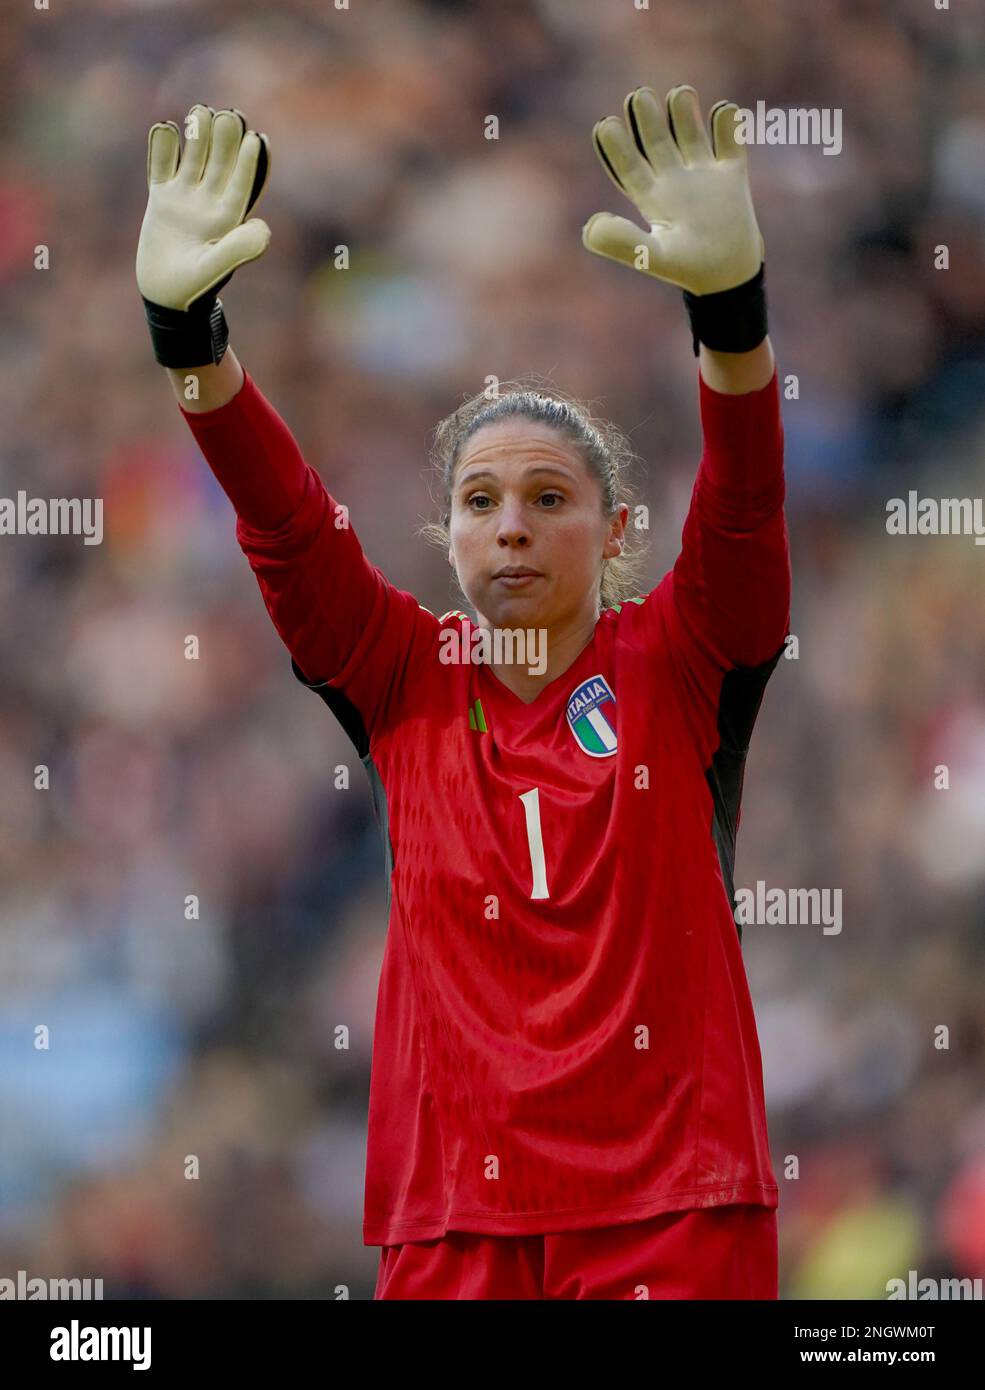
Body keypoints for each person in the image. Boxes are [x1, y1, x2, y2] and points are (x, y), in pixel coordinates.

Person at [136, 84, 790, 1300]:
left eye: (550, 498)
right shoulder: (400, 679)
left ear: (617, 532)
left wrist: (730, 323)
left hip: (668, 1199)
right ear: (444, 537)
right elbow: (285, 527)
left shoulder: (685, 656)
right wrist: (193, 348)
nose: (511, 528)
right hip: (456, 1214)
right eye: (481, 503)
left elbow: (746, 511)